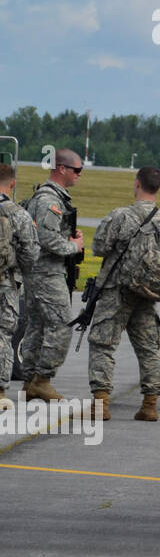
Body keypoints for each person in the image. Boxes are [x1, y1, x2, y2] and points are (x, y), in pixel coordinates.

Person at [86, 167, 160, 422]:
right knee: (148, 348)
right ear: (158, 187)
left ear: (137, 184)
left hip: (117, 289)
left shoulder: (121, 216)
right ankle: (150, 404)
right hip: (148, 293)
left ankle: (101, 404)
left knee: (103, 344)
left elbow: (100, 247)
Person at [19, 149, 84, 402]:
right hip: (46, 272)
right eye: (77, 170)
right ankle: (42, 380)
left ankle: (30, 381)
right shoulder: (49, 201)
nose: (79, 175)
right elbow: (47, 240)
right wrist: (74, 247)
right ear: (62, 169)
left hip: (37, 272)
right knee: (62, 325)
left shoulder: (51, 198)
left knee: (37, 326)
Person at [0, 163, 40, 411]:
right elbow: (31, 256)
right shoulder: (18, 214)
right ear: (12, 183)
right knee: (3, 336)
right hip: (6, 284)